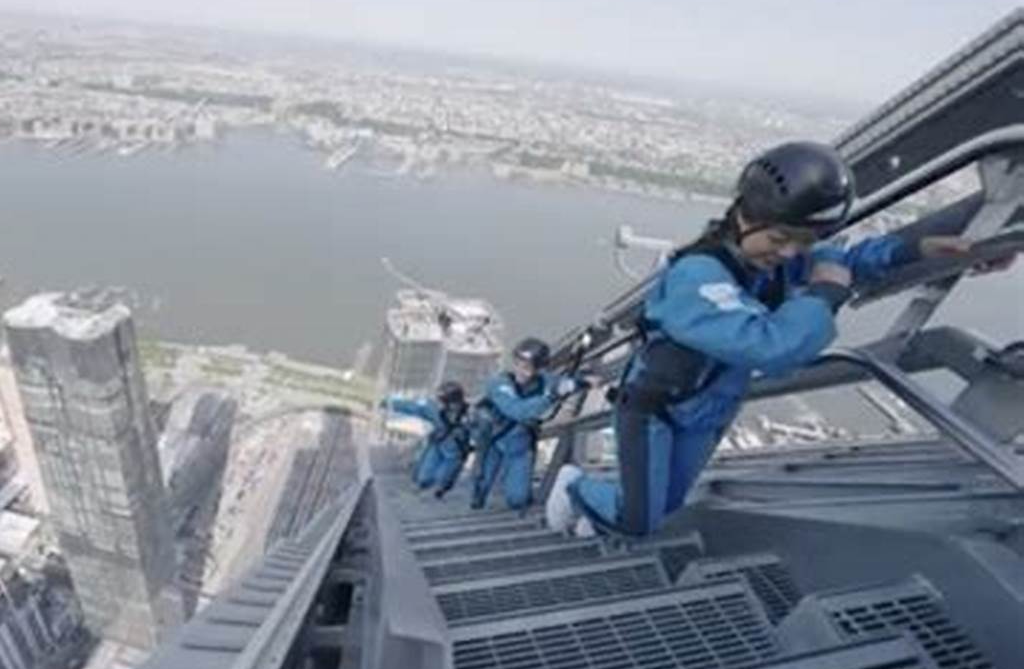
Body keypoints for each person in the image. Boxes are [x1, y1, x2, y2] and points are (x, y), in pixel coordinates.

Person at [546, 140, 1014, 538]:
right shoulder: (697, 277)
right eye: (781, 238)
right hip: (653, 407)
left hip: (708, 408)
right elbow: (772, 348)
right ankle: (574, 487)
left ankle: (605, 508)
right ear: (747, 216)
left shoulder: (773, 259)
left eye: (804, 242)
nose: (790, 253)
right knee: (639, 522)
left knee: (666, 504)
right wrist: (828, 290)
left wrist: (915, 249)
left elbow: (844, 258)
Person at [471, 337, 583, 511]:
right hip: (495, 440)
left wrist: (580, 382)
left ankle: (513, 489)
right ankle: (480, 493)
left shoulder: (545, 380)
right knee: (480, 483)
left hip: (520, 445)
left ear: (539, 369)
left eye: (530, 367)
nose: (523, 372)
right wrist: (551, 396)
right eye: (519, 364)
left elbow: (562, 382)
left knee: (518, 499)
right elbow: (518, 411)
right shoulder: (499, 384)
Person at [383, 381, 472, 497]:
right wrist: (390, 403)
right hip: (438, 443)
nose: (451, 407)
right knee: (424, 476)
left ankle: (439, 489)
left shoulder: (470, 415)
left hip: (456, 451)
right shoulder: (434, 409)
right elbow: (414, 407)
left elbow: (483, 433)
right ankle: (422, 486)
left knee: (442, 478)